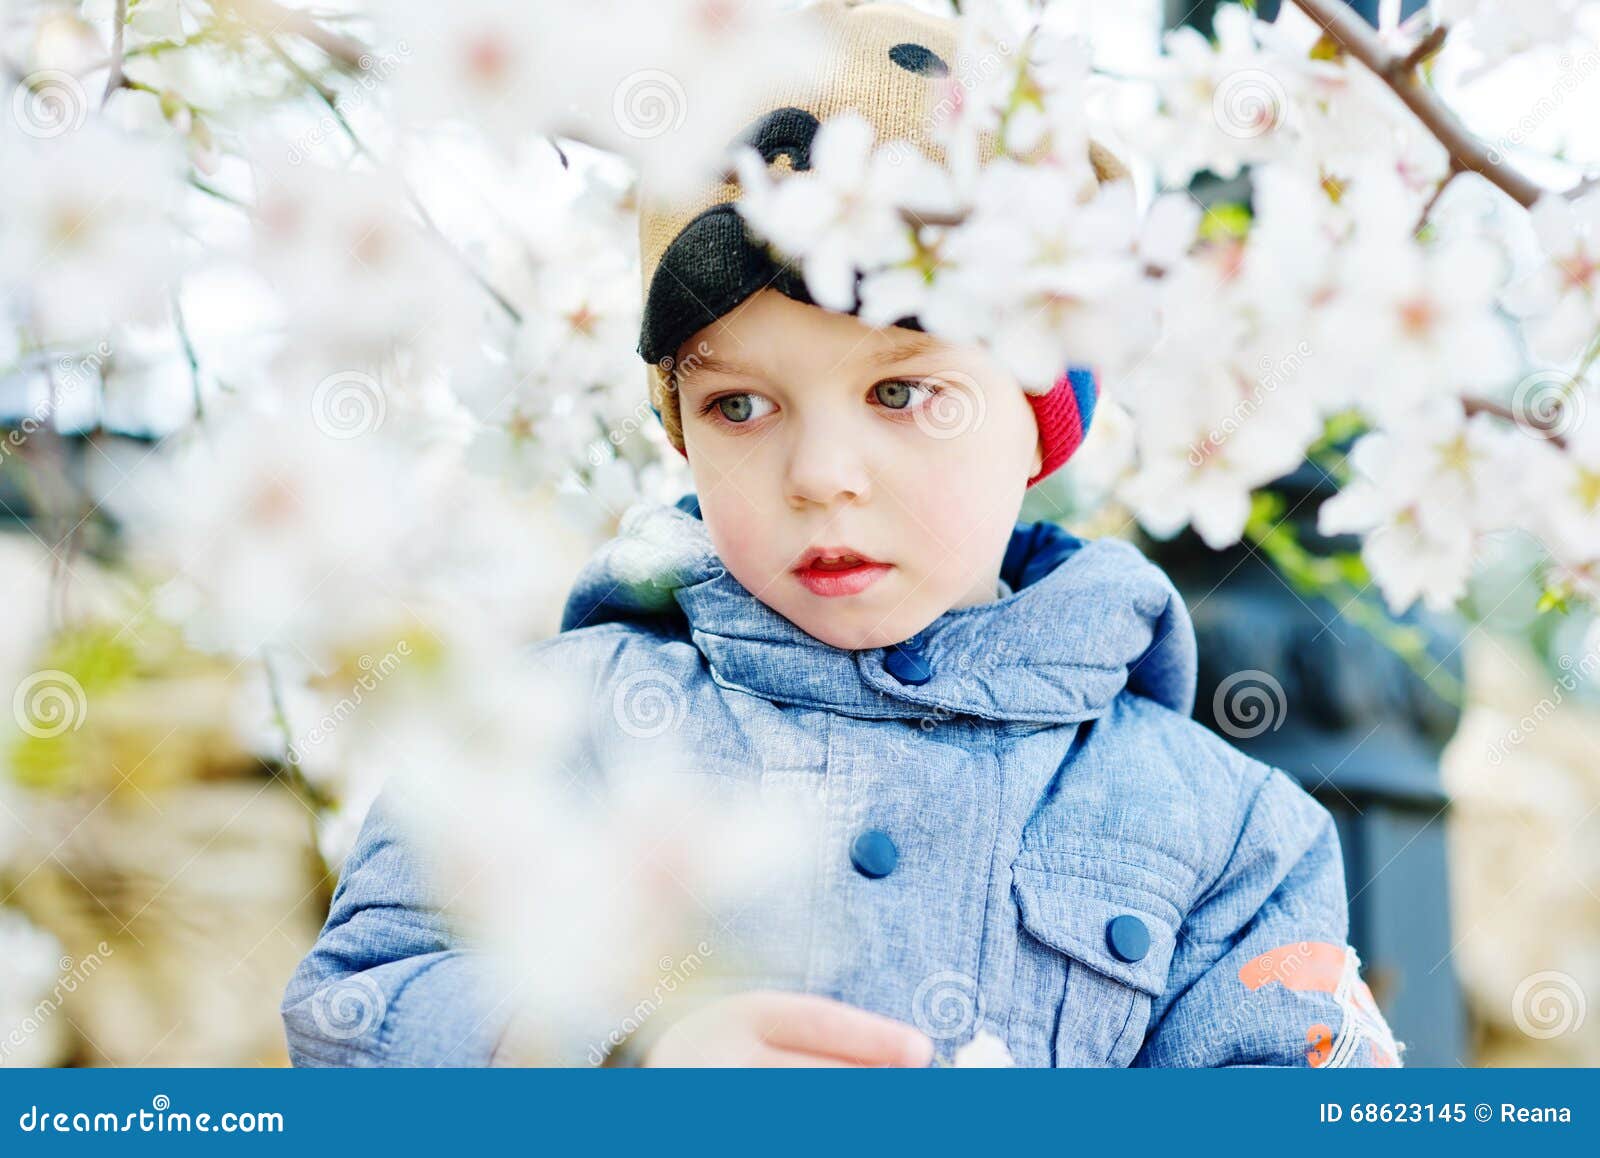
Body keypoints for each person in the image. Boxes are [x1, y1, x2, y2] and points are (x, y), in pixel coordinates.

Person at [283, 0, 1402, 1069]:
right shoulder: (557, 725)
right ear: (681, 434)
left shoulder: (1228, 832)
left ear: (1036, 419)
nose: (819, 476)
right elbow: (353, 1010)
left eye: (902, 393)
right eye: (740, 407)